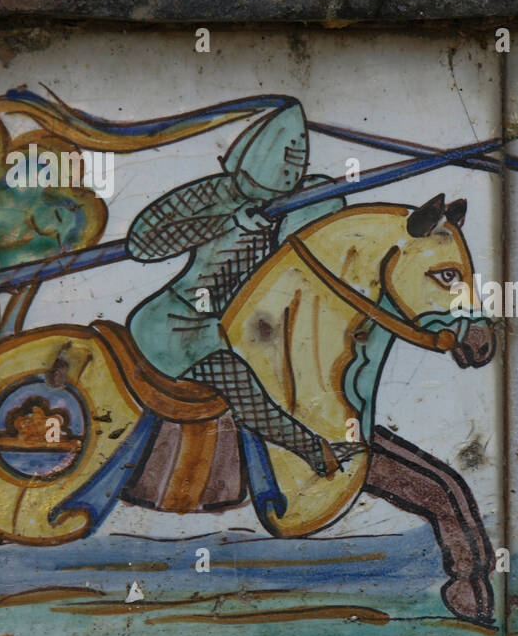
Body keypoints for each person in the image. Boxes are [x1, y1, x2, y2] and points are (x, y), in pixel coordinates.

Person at [125, 99, 361, 476]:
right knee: (245, 392)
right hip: (179, 326)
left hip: (238, 329)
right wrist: (226, 222)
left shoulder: (301, 199)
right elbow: (142, 243)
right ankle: (318, 453)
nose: (290, 162)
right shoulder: (214, 195)